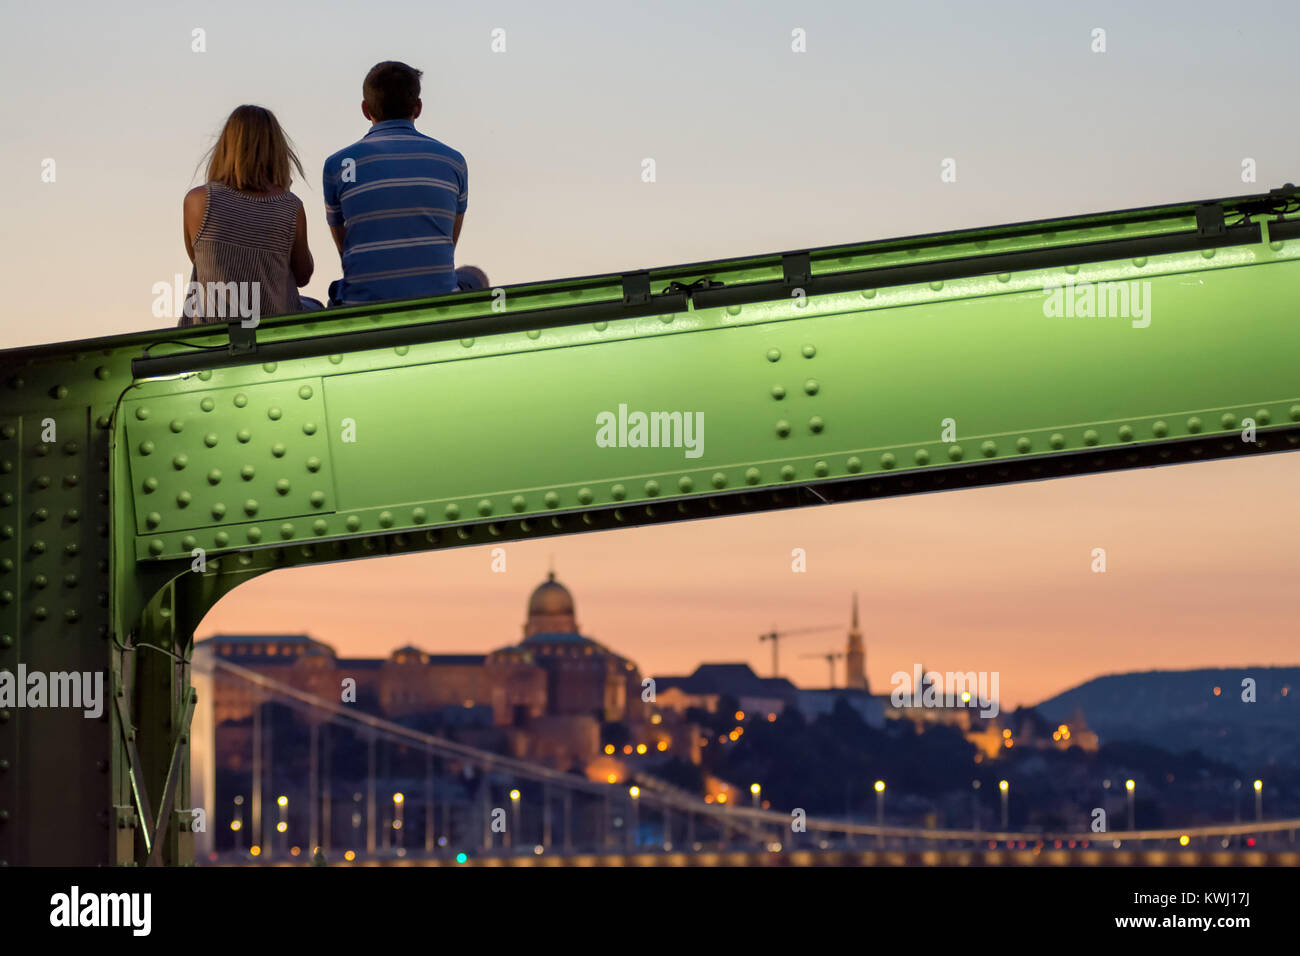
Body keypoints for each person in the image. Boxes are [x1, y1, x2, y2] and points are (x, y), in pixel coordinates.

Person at [322, 60, 488, 307]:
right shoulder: (452, 161)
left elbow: (346, 251)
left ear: (366, 110)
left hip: (360, 303)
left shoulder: (341, 165)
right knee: (474, 275)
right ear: (418, 107)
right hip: (437, 299)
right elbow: (448, 244)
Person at [181, 105, 316, 326]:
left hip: (211, 337)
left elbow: (199, 259)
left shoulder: (198, 201)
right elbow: (304, 275)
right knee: (314, 307)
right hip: (271, 333)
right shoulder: (290, 207)